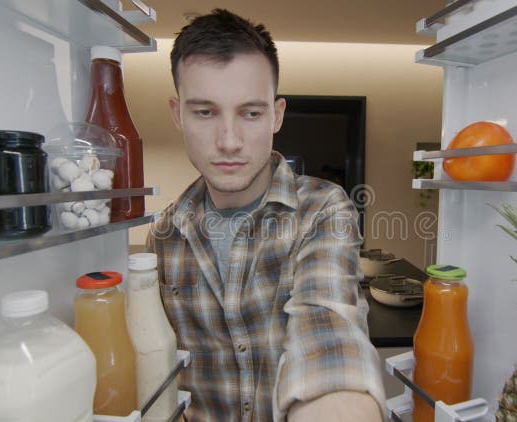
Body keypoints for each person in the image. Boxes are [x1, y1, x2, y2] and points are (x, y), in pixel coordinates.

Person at [147, 9, 385, 421]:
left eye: (251, 113)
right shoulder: (163, 235)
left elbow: (327, 331)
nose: (229, 141)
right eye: (205, 112)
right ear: (178, 114)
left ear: (276, 115)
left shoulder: (323, 210)